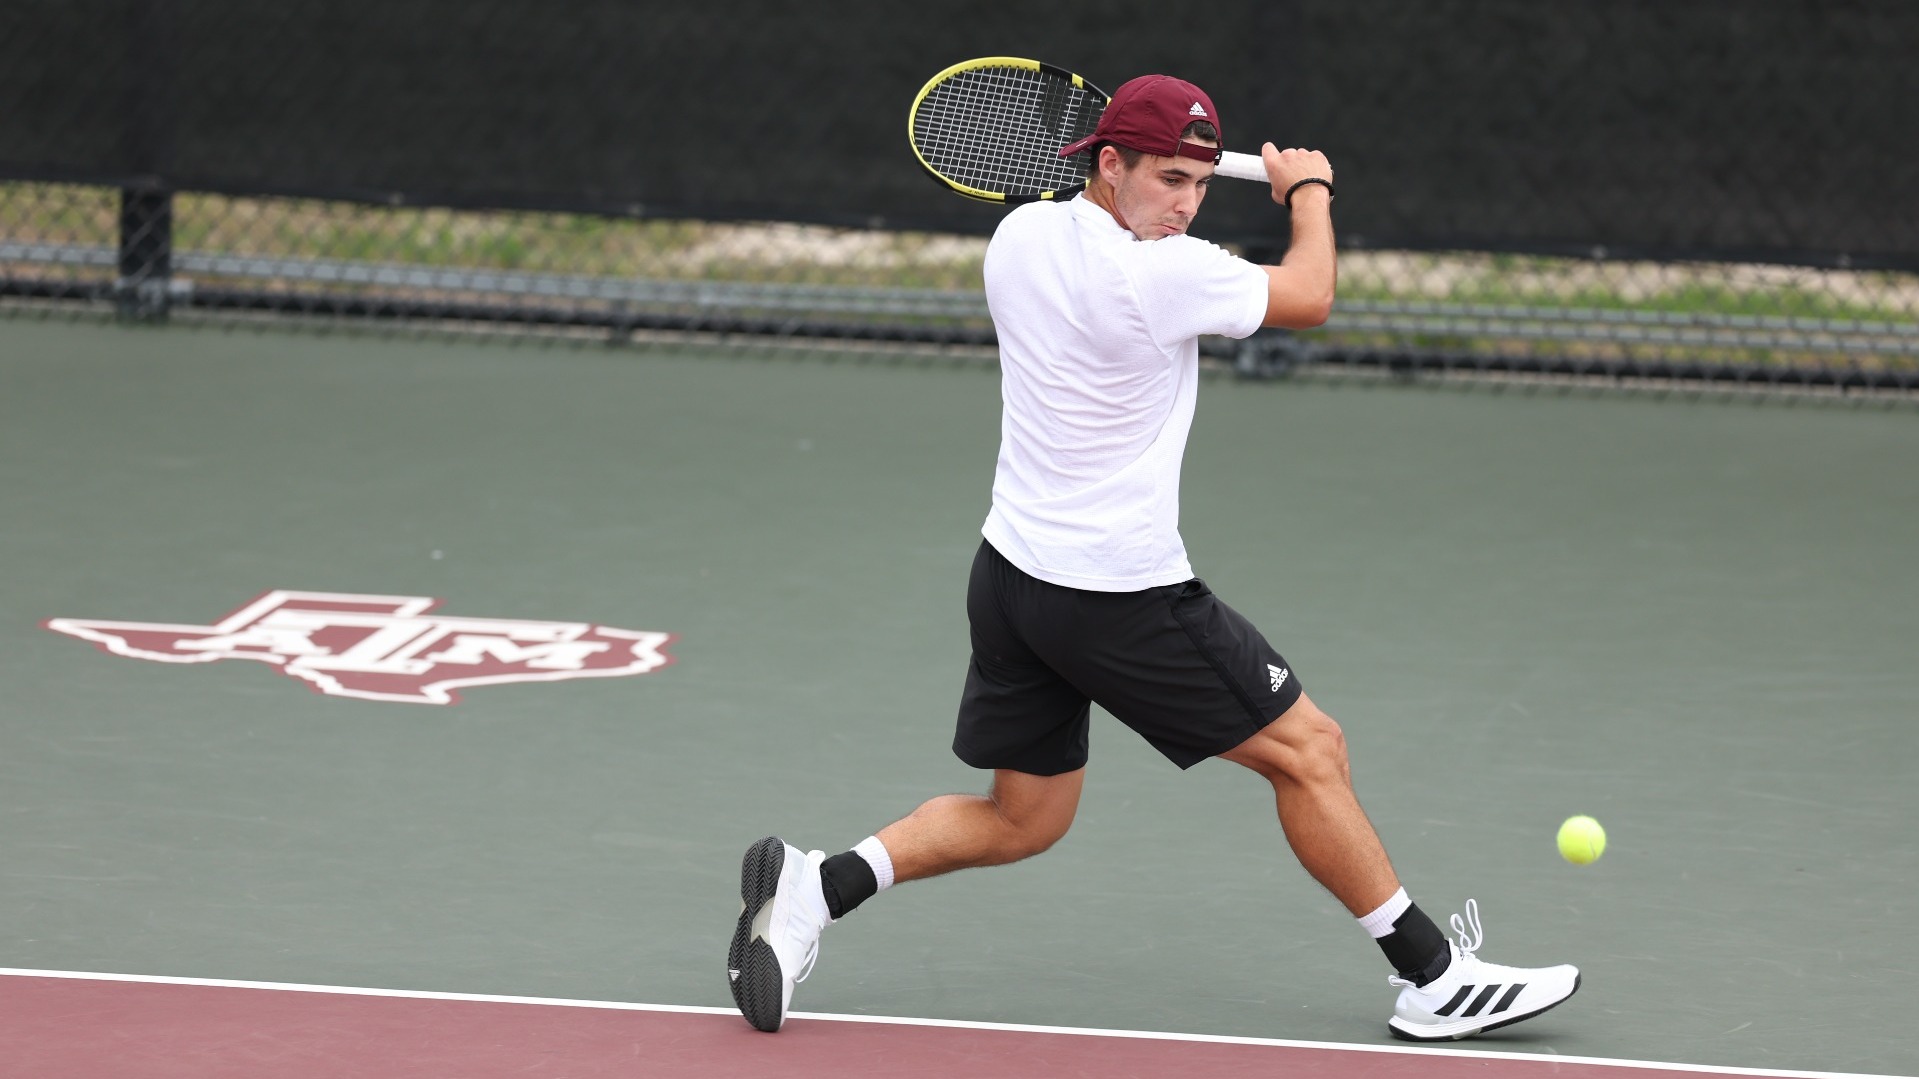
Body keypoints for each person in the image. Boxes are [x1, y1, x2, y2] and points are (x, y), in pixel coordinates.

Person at [727, 74, 1579, 1042]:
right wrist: (1308, 192)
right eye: (1167, 178)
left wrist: (1210, 196)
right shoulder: (1162, 274)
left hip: (1011, 577)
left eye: (1199, 183)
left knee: (1024, 819)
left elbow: (1133, 242)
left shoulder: (1022, 236)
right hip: (1116, 593)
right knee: (1310, 751)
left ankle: (812, 887)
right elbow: (1310, 294)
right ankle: (1431, 977)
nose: (1182, 203)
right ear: (1107, 163)